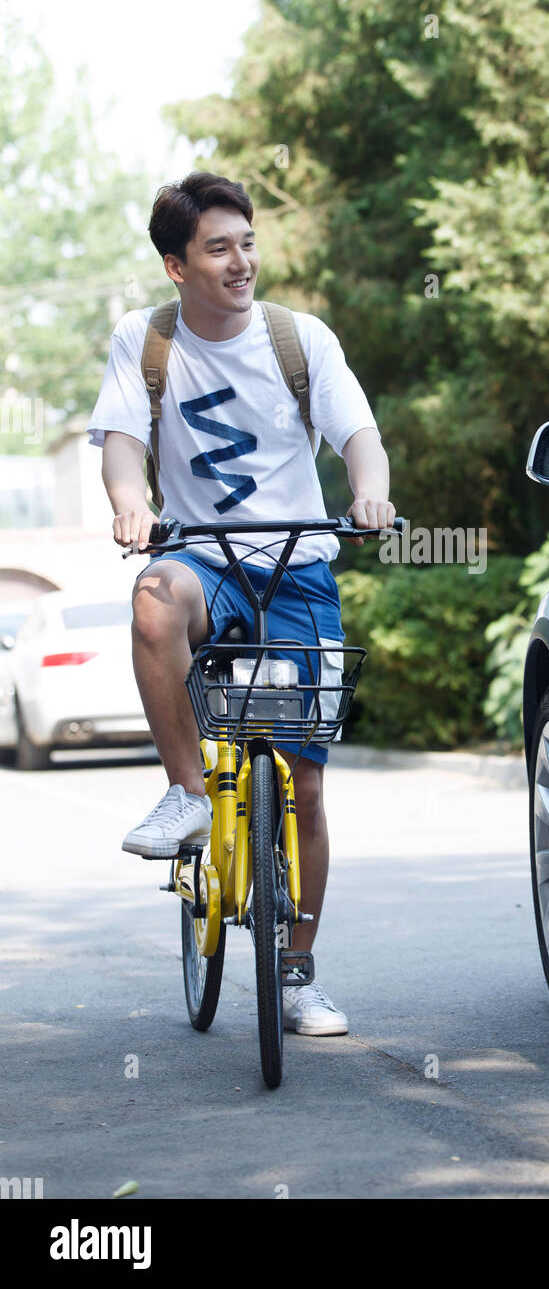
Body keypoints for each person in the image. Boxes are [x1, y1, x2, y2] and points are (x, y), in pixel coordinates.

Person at [86, 171, 395, 1036]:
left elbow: (359, 437)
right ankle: (187, 792)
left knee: (304, 784)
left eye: (247, 243)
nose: (240, 262)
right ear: (177, 266)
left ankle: (297, 974)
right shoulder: (144, 341)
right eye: (218, 248)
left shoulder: (300, 339)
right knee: (152, 597)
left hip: (297, 567)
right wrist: (129, 502)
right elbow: (122, 446)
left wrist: (370, 493)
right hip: (203, 562)